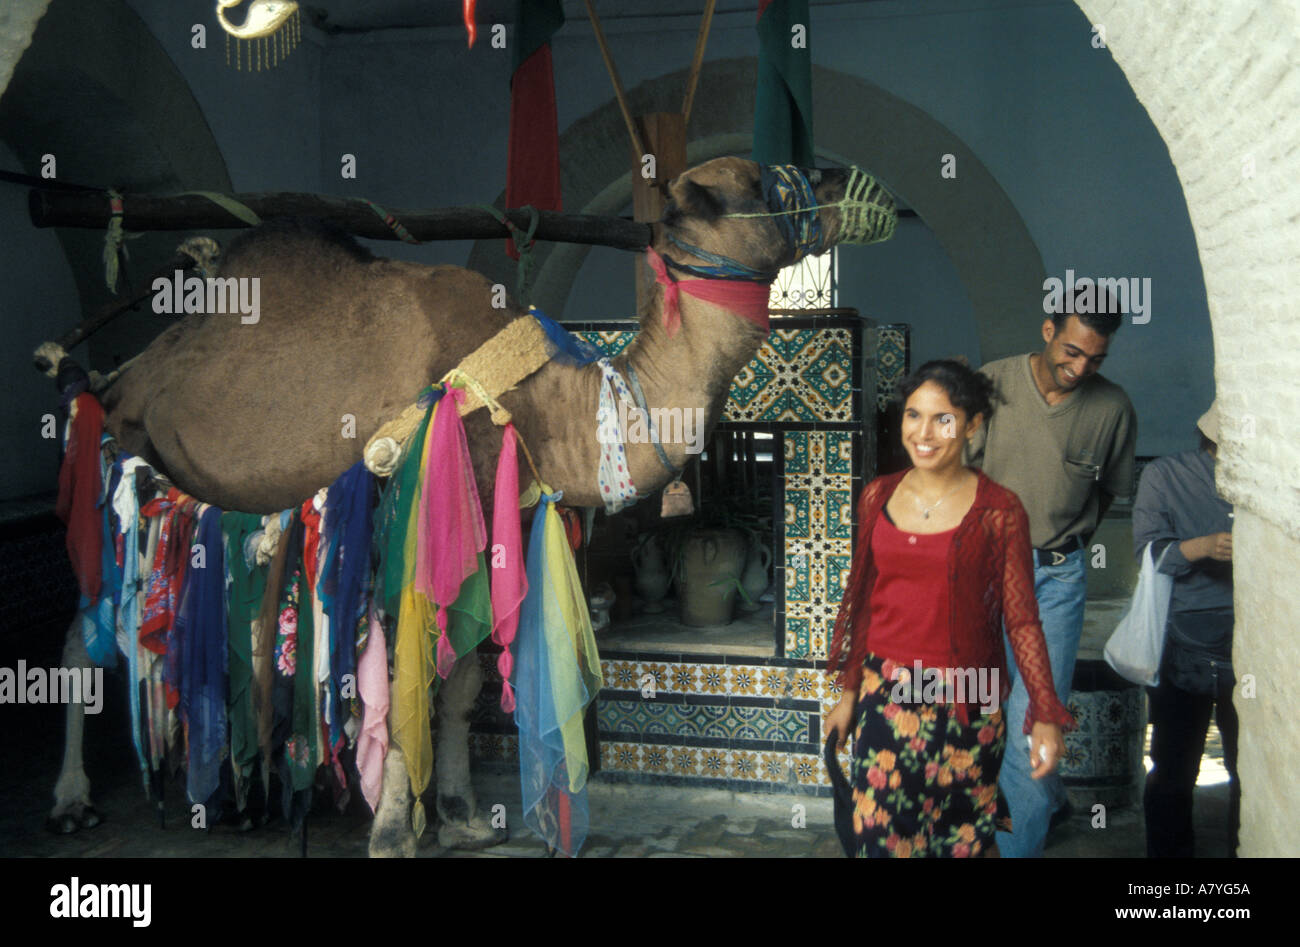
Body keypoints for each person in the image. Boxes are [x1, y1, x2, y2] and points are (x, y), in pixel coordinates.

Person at [825, 360, 1075, 858]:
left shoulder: (999, 510)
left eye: (943, 419)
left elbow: (1022, 619)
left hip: (968, 698)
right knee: (881, 834)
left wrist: (1045, 713)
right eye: (913, 415)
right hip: (889, 694)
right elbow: (864, 605)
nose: (924, 433)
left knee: (961, 839)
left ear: (973, 424)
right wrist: (849, 692)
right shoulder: (879, 495)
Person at [967, 296, 1136, 858]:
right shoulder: (994, 383)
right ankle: (1039, 803)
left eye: (1097, 358)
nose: (1082, 367)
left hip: (1056, 580)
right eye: (1072, 350)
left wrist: (1067, 545)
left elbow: (1108, 489)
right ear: (1047, 330)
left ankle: (1019, 845)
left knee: (1038, 717)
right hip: (987, 572)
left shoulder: (1113, 409)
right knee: (980, 705)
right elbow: (959, 472)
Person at [1132, 401, 1236, 857]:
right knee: (1174, 767)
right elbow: (1150, 556)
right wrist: (1203, 546)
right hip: (1181, 640)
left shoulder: (1269, 485)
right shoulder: (1165, 476)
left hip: (1248, 644)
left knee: (1252, 769)